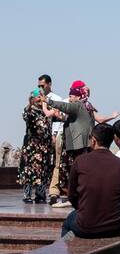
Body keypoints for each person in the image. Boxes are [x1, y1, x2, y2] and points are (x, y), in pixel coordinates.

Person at [45, 81, 119, 207]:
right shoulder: (88, 105)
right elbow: (89, 120)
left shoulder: (78, 105)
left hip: (77, 145)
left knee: (75, 171)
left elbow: (64, 106)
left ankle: (73, 198)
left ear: (78, 96)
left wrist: (48, 101)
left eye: (72, 96)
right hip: (86, 144)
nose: (70, 98)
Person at [62, 123, 120, 239]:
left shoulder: (79, 162)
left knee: (67, 224)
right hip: (114, 226)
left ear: (93, 141)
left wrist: (83, 208)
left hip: (86, 225)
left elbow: (72, 195)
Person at [18, 91, 55, 202]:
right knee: (29, 170)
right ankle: (27, 195)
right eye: (38, 98)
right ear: (32, 99)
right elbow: (26, 117)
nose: (40, 100)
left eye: (41, 97)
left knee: (43, 170)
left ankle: (40, 195)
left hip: (44, 146)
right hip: (32, 146)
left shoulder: (45, 111)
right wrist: (30, 105)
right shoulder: (30, 111)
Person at [37, 74, 67, 205]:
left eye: (42, 85)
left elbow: (58, 119)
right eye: (38, 86)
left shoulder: (56, 99)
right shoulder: (38, 98)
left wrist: (55, 134)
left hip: (53, 135)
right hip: (42, 137)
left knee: (56, 162)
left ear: (49, 84)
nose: (40, 88)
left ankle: (55, 190)